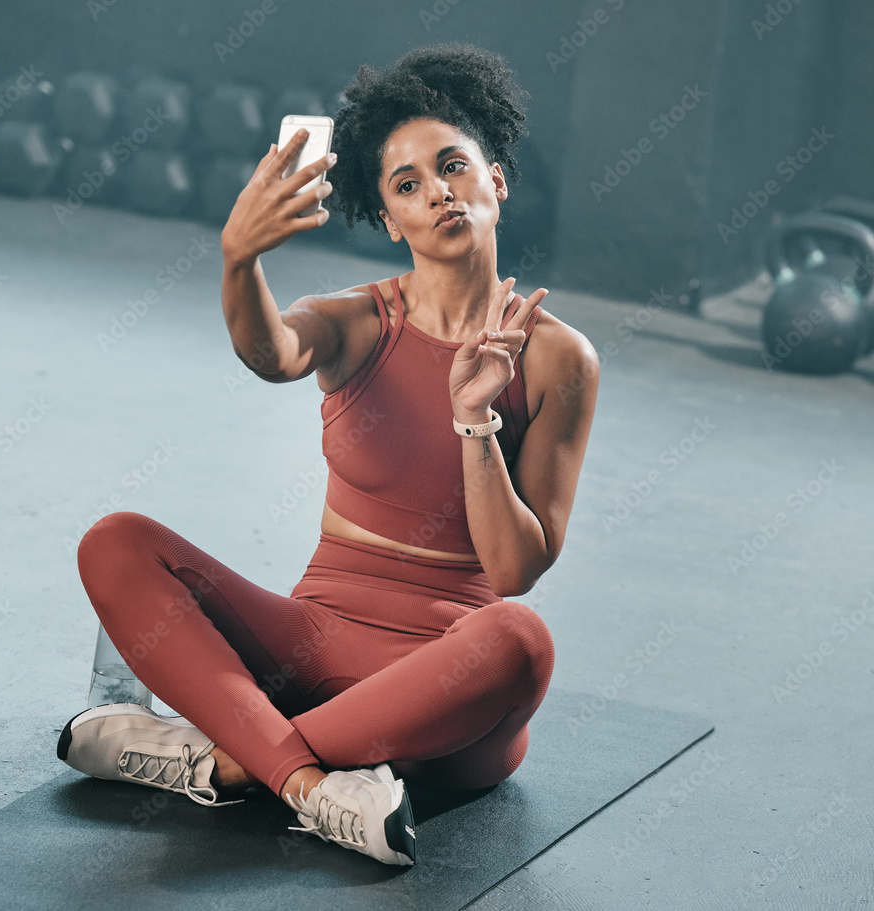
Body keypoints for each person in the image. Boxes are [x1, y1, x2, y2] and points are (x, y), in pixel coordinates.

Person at [57, 42, 599, 867]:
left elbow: (516, 569)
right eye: (407, 185)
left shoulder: (559, 358)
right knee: (115, 540)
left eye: (454, 166)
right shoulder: (354, 320)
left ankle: (224, 761)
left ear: (498, 177)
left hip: (441, 698)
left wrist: (474, 418)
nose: (438, 193)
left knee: (522, 638)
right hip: (306, 645)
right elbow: (270, 351)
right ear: (389, 220)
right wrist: (240, 259)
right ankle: (311, 785)